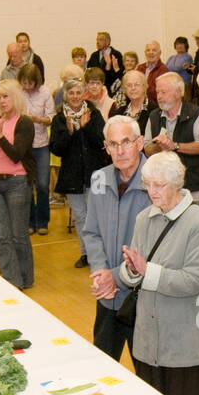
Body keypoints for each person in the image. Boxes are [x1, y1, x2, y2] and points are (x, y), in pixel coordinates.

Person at [118, 151, 199, 395]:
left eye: (159, 185)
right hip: (147, 342)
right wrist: (129, 269)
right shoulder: (144, 218)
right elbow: (132, 272)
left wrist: (146, 271)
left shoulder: (197, 222)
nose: (152, 192)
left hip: (183, 346)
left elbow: (195, 281)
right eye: (148, 184)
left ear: (177, 184)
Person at [82, 115, 151, 362]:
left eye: (126, 142)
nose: (119, 151)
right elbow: (91, 232)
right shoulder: (99, 178)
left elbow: (153, 248)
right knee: (102, 367)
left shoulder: (156, 183)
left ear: (140, 142)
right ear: (106, 147)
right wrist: (102, 273)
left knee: (147, 378)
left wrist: (115, 276)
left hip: (142, 300)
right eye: (112, 144)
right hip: (107, 296)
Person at [0, 80, 36, 288]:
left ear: (15, 97)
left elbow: (16, 155)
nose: (2, 101)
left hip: (17, 183)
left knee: (18, 234)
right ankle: (11, 281)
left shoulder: (24, 122)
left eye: (6, 96)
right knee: (2, 236)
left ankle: (25, 278)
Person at [49, 78, 109, 269]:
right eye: (71, 93)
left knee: (96, 215)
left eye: (78, 93)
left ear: (84, 94)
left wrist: (86, 127)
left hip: (95, 173)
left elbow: (102, 141)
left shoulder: (94, 115)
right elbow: (56, 149)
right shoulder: (59, 119)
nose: (75, 97)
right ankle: (87, 253)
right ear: (66, 96)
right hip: (72, 175)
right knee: (81, 217)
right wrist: (69, 132)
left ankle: (101, 253)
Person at [142, 72, 199, 207]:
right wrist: (159, 147)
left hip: (195, 189)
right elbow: (147, 149)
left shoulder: (196, 114)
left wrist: (175, 146)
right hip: (163, 193)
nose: (159, 97)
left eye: (163, 92)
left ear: (179, 92)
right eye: (157, 92)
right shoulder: (154, 116)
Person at [16, 63, 55, 234]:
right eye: (24, 83)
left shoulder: (45, 93)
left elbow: (51, 118)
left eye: (30, 83)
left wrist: (37, 120)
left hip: (41, 144)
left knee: (42, 184)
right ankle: (30, 221)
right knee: (27, 185)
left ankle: (43, 221)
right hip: (24, 146)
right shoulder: (17, 92)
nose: (27, 87)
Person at [138, 41, 166, 105]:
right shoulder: (140, 68)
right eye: (148, 50)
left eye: (154, 50)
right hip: (139, 104)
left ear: (159, 53)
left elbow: (160, 92)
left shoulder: (163, 70)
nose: (150, 53)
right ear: (145, 53)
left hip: (155, 106)